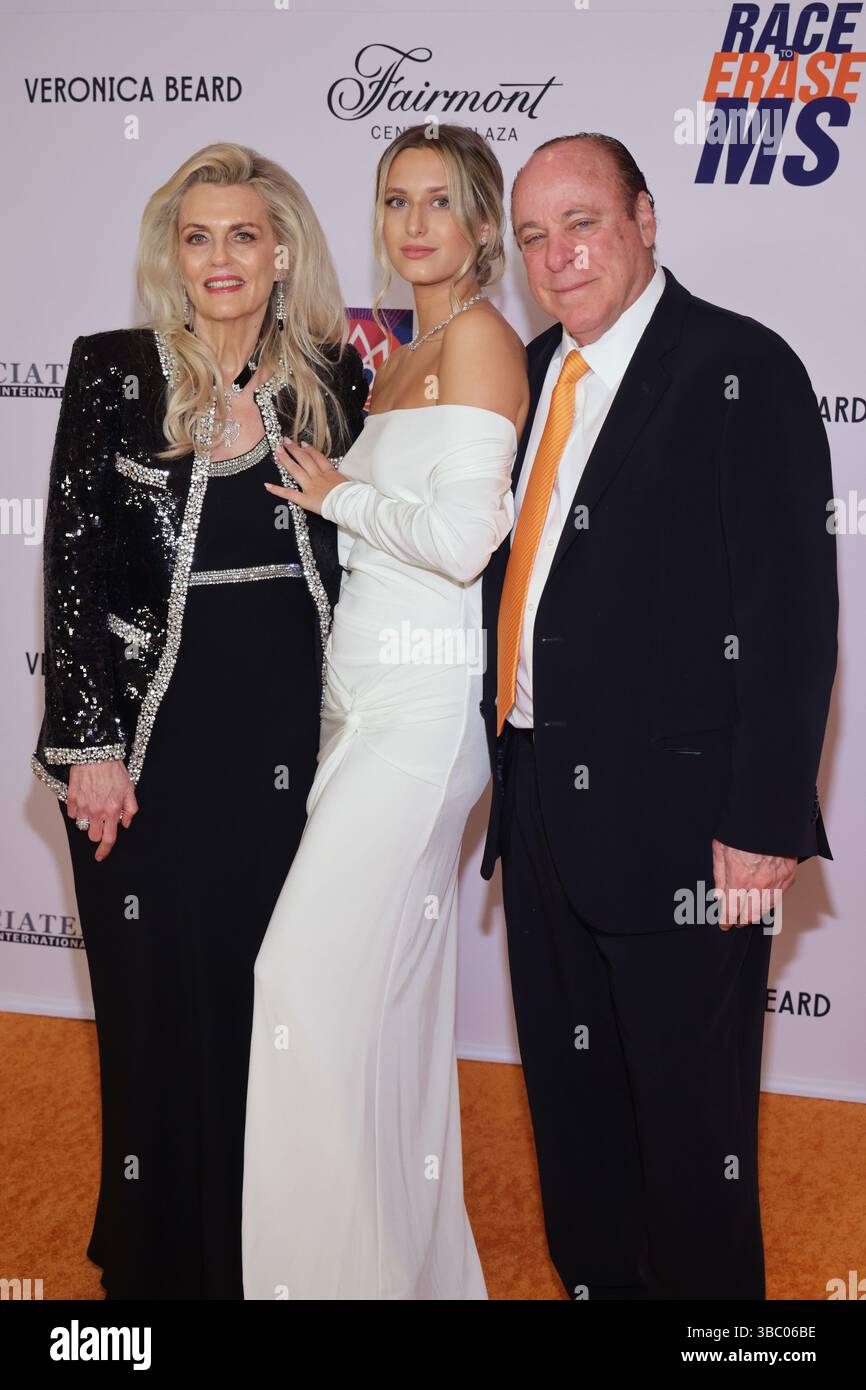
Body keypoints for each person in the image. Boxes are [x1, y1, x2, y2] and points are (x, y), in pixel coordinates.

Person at [479, 132, 838, 1300]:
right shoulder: (528, 375)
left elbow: (789, 617)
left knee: (695, 1148)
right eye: (532, 236)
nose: (554, 255)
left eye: (579, 222)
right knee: (576, 1129)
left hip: (691, 835)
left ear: (644, 216)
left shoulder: (742, 367)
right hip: (537, 810)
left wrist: (765, 822)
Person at [30, 142, 366, 1299]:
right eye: (196, 235)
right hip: (149, 754)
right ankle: (157, 1271)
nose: (220, 257)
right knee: (152, 1010)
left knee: (265, 1008)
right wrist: (89, 750)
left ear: (281, 254)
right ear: (171, 256)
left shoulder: (331, 375)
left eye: (242, 235)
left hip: (288, 749)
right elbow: (71, 570)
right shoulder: (117, 372)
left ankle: (255, 1254)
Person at [241, 124, 529, 1299]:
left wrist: (344, 493)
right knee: (391, 1012)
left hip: (418, 720)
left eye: (439, 204)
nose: (413, 226)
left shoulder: (477, 342)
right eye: (395, 202)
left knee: (297, 985)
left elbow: (467, 542)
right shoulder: (396, 355)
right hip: (359, 706)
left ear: (480, 226)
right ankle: (404, 1279)